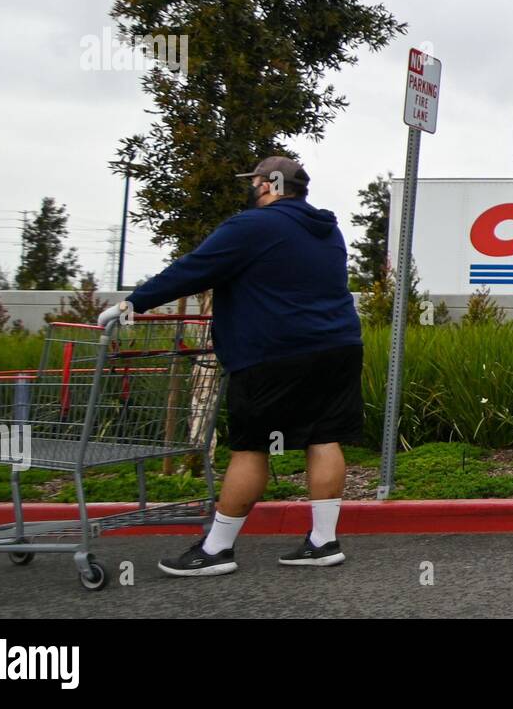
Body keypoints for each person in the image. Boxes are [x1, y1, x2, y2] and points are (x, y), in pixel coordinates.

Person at [98, 156, 364, 576]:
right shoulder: (327, 231)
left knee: (251, 446)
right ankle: (323, 540)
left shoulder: (252, 226)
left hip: (274, 355)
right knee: (324, 437)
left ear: (267, 185)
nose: (251, 186)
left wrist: (131, 304)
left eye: (253, 180)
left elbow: (193, 269)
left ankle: (217, 548)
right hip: (339, 347)